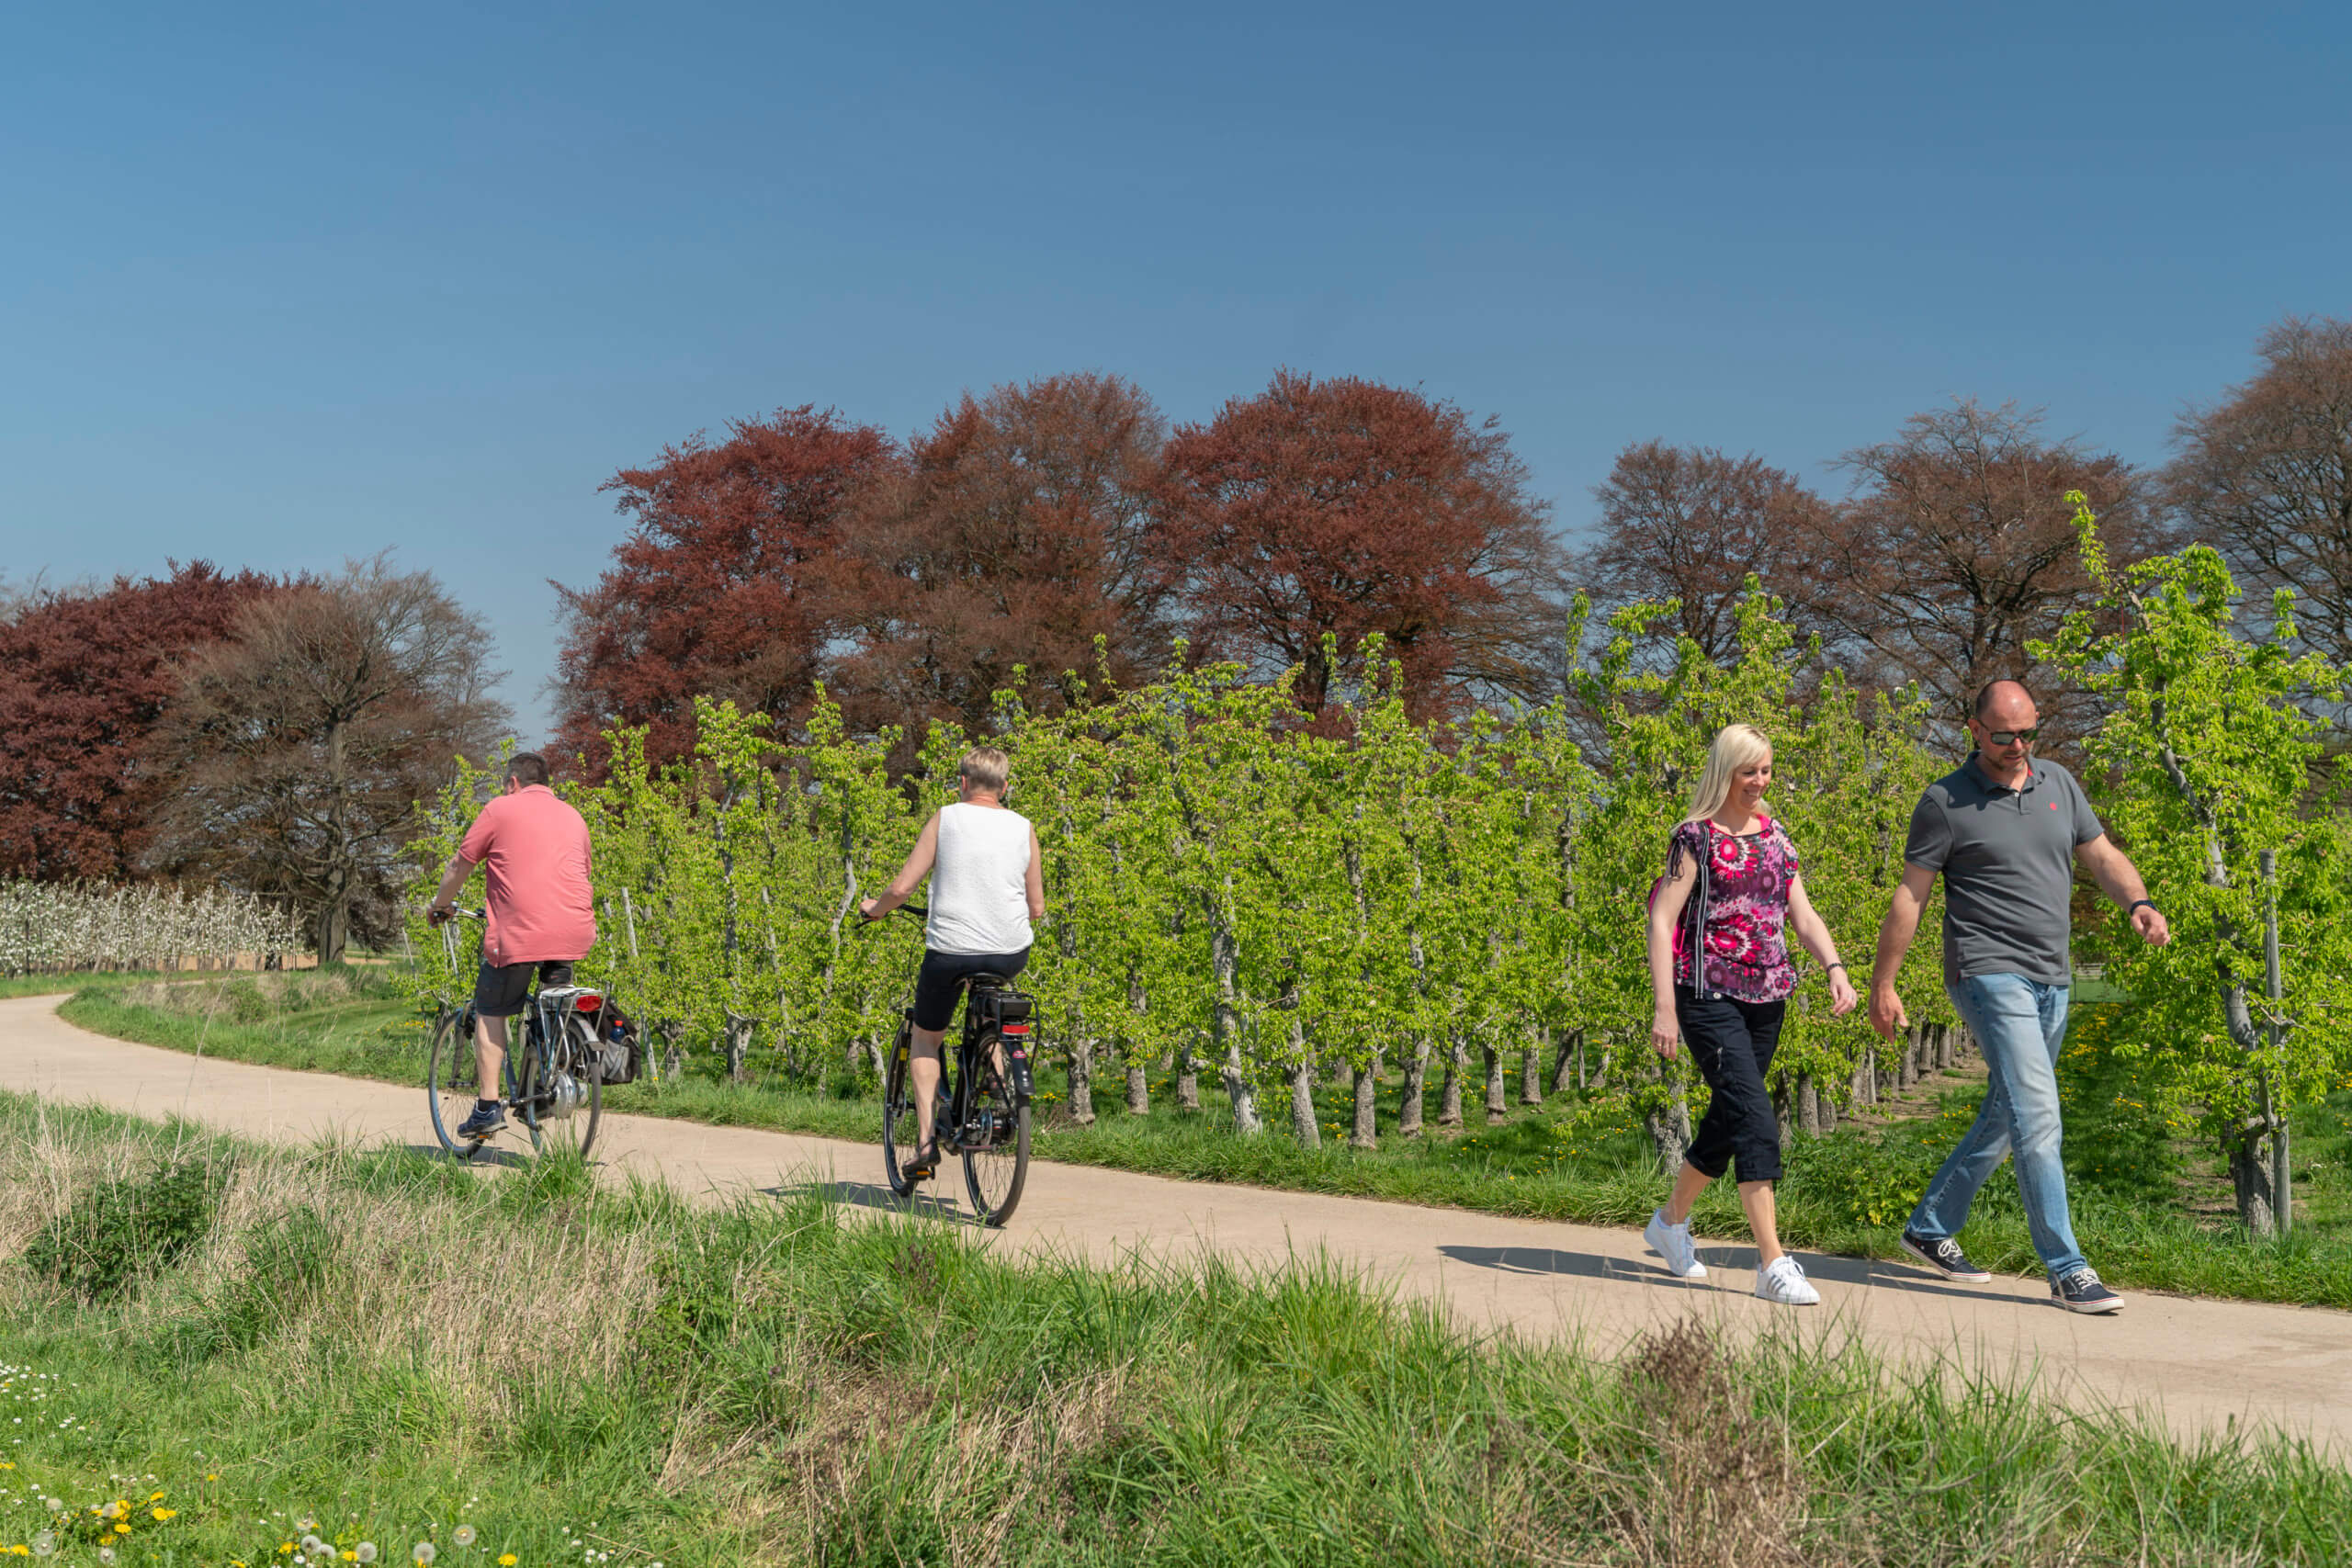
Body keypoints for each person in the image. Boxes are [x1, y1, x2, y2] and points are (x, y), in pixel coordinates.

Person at [1869, 680, 2170, 1314]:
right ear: (1973, 729)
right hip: (1986, 971)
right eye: (2004, 734)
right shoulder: (1944, 801)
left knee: (2008, 1111)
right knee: (2038, 1114)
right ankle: (2066, 1267)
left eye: (2029, 731)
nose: (2018, 745)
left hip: (2052, 977)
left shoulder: (2058, 783)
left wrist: (2137, 901)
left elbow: (2102, 855)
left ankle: (1929, 1224)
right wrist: (1884, 982)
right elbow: (1911, 895)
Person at [1643, 723, 1858, 1306]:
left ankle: (1669, 1224)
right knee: (1756, 1118)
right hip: (1706, 993)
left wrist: (1835, 966)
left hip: (1769, 995)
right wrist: (1665, 1008)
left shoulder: (1775, 833)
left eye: (1766, 770)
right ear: (1725, 772)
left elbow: (1802, 912)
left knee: (1729, 1116)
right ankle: (1773, 1264)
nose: (1760, 781)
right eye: (1749, 771)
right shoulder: (1695, 838)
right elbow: (1662, 921)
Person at [860, 747, 1045, 1179]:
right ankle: (997, 1094)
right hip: (1009, 951)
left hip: (950, 951)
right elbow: (1036, 907)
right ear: (1005, 787)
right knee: (991, 1018)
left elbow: (904, 886)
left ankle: (925, 1143)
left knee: (927, 1038)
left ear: (962, 783)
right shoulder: (1024, 828)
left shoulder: (946, 818)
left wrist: (877, 909)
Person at [426, 752, 595, 1140]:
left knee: (490, 1012)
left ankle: (487, 1108)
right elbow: (581, 873)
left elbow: (460, 865)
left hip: (518, 933)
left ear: (513, 783)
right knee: (552, 1002)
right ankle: (546, 1084)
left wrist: (439, 906)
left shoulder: (501, 808)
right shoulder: (574, 816)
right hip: (573, 932)